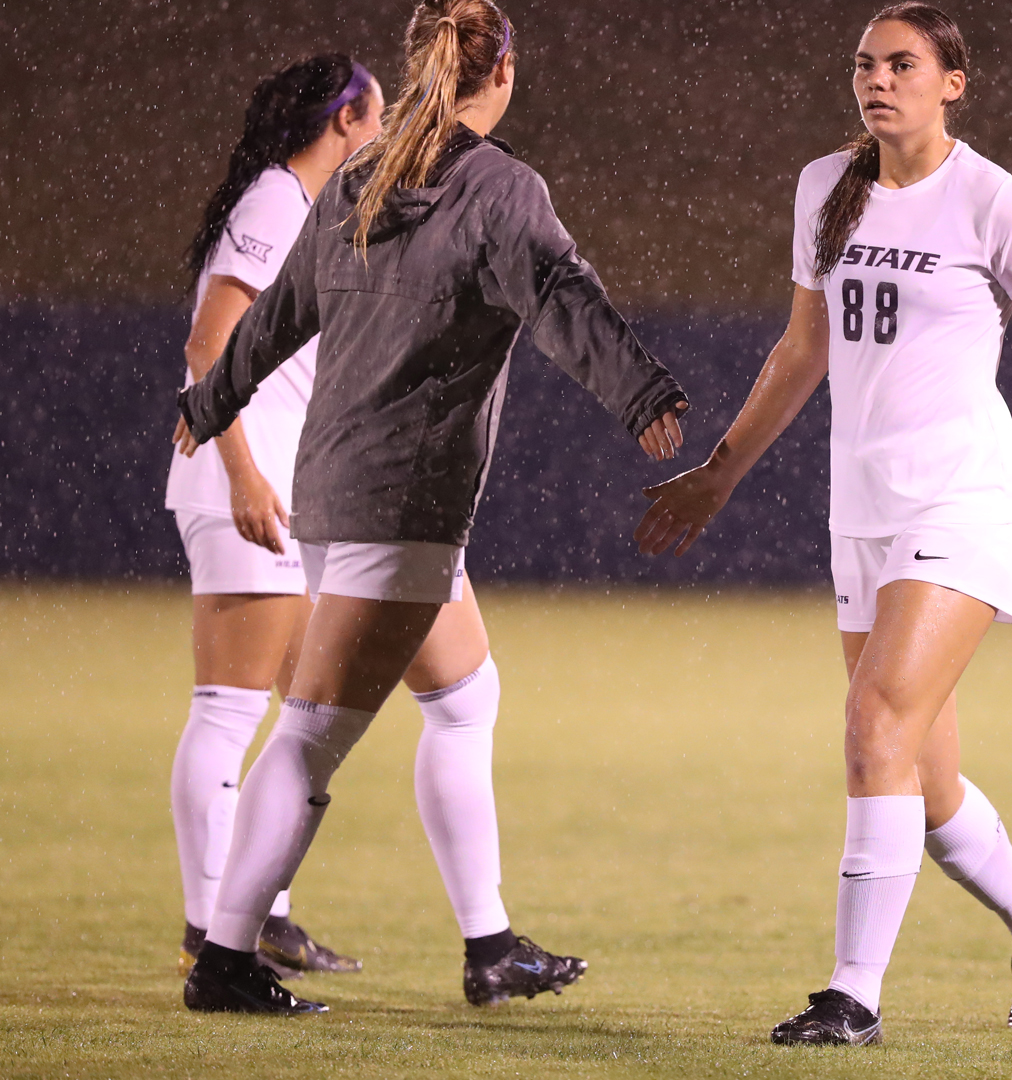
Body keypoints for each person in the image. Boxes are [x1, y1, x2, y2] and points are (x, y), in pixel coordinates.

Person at [635, 1, 1012, 1046]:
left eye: (902, 64)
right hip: (864, 513)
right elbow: (801, 351)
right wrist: (719, 472)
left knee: (871, 729)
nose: (877, 80)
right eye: (864, 64)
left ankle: (853, 996)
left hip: (963, 499)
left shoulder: (999, 202)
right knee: (923, 780)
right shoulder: (823, 188)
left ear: (954, 83)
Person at [173, 0, 691, 1015]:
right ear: (501, 74)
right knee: (311, 734)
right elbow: (563, 296)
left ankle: (490, 944)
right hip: (399, 501)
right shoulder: (499, 189)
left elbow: (279, 314)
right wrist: (642, 392)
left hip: (338, 487)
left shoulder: (364, 181)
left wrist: (212, 398)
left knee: (464, 697)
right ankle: (226, 958)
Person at [168, 53, 381, 980]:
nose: (383, 130)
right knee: (231, 707)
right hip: (240, 483)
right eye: (376, 115)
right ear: (343, 120)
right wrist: (245, 477)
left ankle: (264, 912)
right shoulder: (274, 200)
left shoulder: (313, 210)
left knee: (294, 710)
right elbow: (207, 345)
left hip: (286, 485)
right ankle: (209, 925)